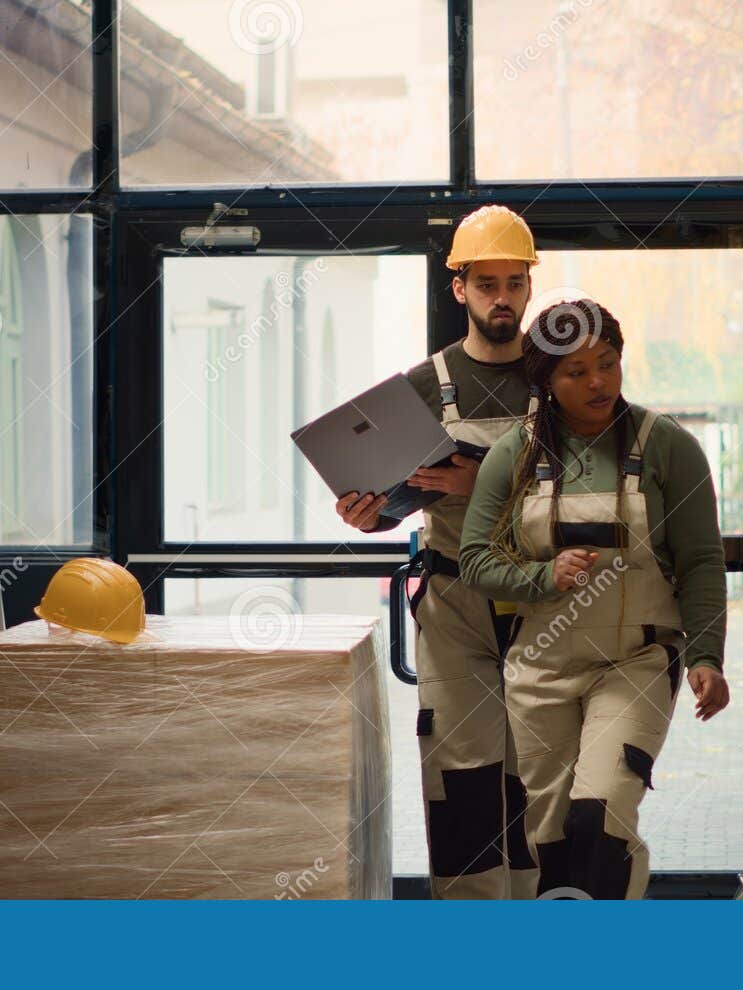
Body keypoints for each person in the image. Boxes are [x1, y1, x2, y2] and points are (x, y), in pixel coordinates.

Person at [457, 298, 729, 900]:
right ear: (546, 382)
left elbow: (702, 561)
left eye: (607, 363)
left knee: (599, 819)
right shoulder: (517, 453)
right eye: (576, 372)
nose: (598, 381)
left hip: (635, 662)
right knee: (549, 840)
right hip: (541, 670)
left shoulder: (666, 446)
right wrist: (543, 578)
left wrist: (707, 655)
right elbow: (475, 560)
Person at [334, 205, 540, 899]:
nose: (502, 297)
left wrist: (484, 481)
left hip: (551, 606)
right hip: (457, 610)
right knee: (461, 777)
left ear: (530, 287)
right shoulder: (424, 390)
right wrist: (367, 515)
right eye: (487, 284)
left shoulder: (564, 381)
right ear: (459, 288)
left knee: (543, 776)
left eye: (514, 282)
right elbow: (399, 498)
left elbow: (598, 495)